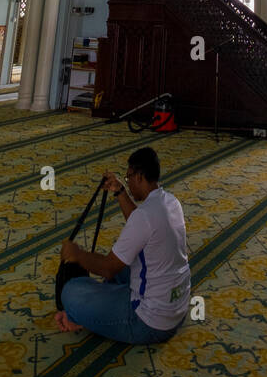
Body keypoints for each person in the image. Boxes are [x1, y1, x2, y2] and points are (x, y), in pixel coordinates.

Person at [55, 146, 191, 344]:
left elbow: (108, 269)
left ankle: (81, 317)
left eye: (128, 178)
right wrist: (120, 191)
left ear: (139, 176)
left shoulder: (144, 217)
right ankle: (107, 300)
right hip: (177, 306)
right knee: (126, 256)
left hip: (148, 323)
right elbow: (142, 224)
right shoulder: (170, 201)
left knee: (70, 293)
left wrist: (77, 253)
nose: (128, 182)